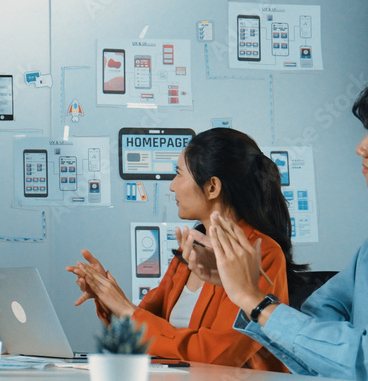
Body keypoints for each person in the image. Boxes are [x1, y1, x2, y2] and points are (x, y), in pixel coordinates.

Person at [67, 127, 302, 370]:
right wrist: (107, 295)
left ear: (212, 187)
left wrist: (126, 310)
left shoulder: (261, 254)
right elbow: (145, 325)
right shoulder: (191, 247)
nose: (171, 186)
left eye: (179, 174)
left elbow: (218, 356)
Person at [190, 85, 368, 379]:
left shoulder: (263, 248)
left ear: (212, 186)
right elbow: (315, 320)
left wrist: (254, 301)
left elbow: (360, 360)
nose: (360, 147)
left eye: (178, 174)